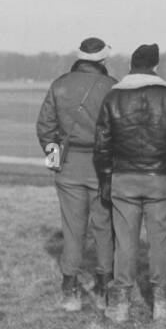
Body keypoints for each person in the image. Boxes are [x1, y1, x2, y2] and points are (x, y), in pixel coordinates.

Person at [94, 44, 166, 324]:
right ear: (156, 66)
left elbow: (102, 145)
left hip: (123, 179)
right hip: (160, 180)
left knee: (124, 243)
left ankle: (119, 304)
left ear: (130, 66)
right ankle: (162, 303)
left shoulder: (113, 97)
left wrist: (105, 181)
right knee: (161, 242)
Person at [36, 37, 116, 311]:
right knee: (104, 228)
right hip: (103, 167)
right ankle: (105, 289)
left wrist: (56, 160)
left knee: (72, 230)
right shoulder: (112, 87)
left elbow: (45, 127)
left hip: (69, 166)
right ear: (103, 60)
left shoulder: (59, 84)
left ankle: (70, 290)